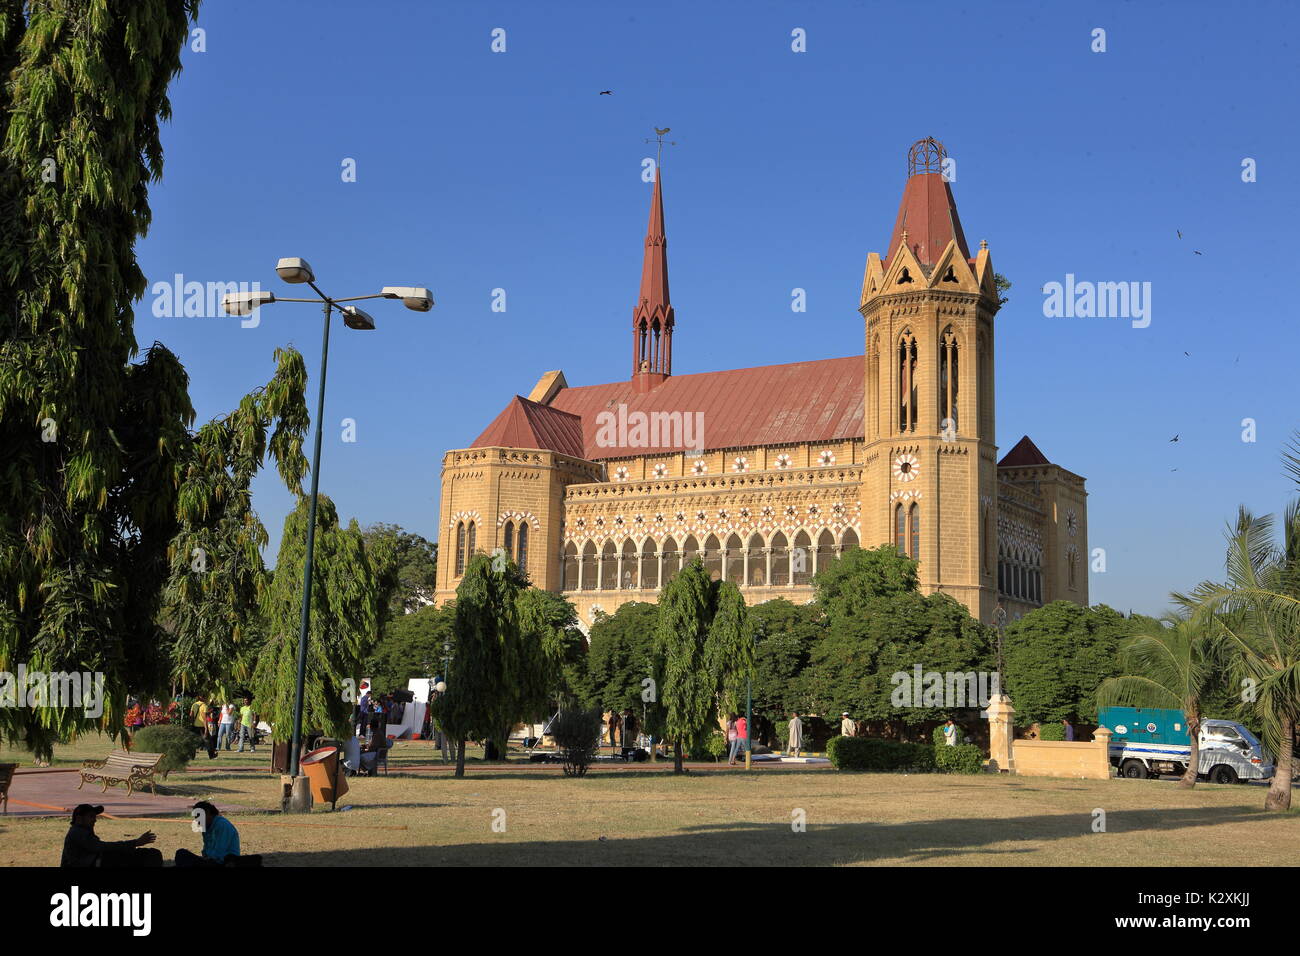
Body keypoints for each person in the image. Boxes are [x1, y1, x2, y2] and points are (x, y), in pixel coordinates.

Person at [61, 804, 161, 867]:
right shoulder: (77, 833)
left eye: (95, 817)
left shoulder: (81, 831)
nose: (95, 820)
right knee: (148, 855)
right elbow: (101, 847)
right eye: (91, 817)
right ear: (79, 818)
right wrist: (135, 842)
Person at [176, 801, 260, 867]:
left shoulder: (222, 825)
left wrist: (205, 860)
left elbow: (219, 854)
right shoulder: (206, 827)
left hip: (224, 862)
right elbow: (206, 849)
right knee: (181, 853)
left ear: (208, 813)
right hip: (210, 861)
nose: (198, 821)